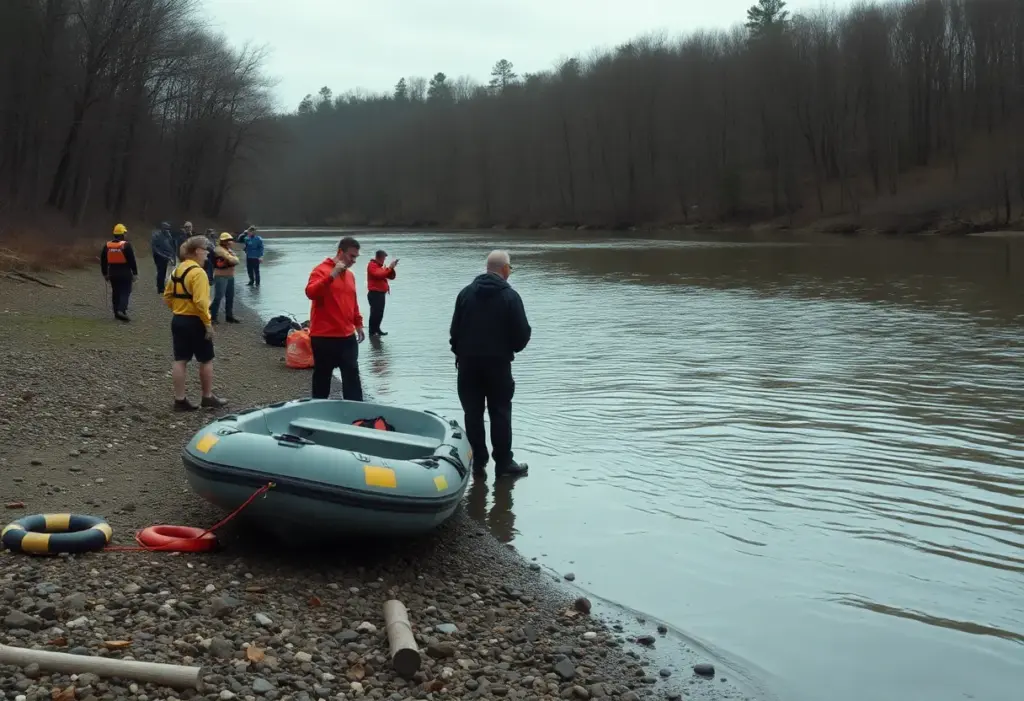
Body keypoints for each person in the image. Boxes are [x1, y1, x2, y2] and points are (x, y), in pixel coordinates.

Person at [449, 250, 531, 477]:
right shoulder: (510, 297)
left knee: (472, 414)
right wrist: (509, 349)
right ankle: (504, 464)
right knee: (500, 413)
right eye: (510, 268)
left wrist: (461, 352)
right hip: (498, 365)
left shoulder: (465, 294)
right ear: (505, 269)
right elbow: (522, 335)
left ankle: (478, 463)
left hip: (467, 365)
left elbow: (454, 332)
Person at [163, 235, 227, 411]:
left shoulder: (177, 271)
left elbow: (167, 296)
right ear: (197, 251)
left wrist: (178, 309)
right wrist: (207, 323)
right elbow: (201, 302)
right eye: (206, 250)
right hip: (196, 321)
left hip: (178, 320)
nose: (207, 254)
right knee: (206, 359)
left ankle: (180, 400)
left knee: (180, 359)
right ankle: (207, 397)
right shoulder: (198, 273)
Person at [304, 236, 366, 400]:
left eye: (356, 257)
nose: (353, 261)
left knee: (352, 378)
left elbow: (352, 301)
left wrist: (358, 323)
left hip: (347, 336)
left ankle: (356, 416)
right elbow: (310, 293)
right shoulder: (321, 270)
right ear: (340, 252)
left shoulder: (351, 275)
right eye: (351, 256)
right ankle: (318, 413)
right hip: (324, 336)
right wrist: (331, 276)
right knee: (322, 380)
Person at [99, 223, 138, 322]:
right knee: (125, 291)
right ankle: (121, 310)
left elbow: (103, 261)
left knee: (116, 292)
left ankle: (116, 312)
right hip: (125, 272)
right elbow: (132, 260)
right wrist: (135, 272)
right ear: (122, 234)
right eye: (125, 233)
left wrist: (105, 273)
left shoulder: (107, 246)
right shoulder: (126, 246)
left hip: (112, 272)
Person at [366, 249, 398, 337]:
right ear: (380, 257)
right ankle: (372, 331)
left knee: (379, 313)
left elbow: (390, 276)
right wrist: (389, 268)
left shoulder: (379, 266)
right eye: (384, 258)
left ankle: (377, 329)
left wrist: (392, 268)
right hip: (375, 293)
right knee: (375, 313)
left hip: (380, 294)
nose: (384, 260)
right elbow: (379, 275)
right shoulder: (372, 265)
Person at [210, 232, 241, 324]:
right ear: (222, 241)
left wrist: (233, 259)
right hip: (221, 276)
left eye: (230, 240)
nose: (229, 242)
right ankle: (213, 317)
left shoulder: (228, 250)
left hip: (230, 276)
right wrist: (233, 259)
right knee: (218, 297)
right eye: (227, 240)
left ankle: (229, 316)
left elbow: (236, 260)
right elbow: (233, 260)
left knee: (230, 296)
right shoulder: (219, 250)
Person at [150, 221, 176, 293]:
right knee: (160, 272)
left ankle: (162, 286)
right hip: (159, 257)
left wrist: (172, 256)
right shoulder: (156, 236)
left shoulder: (168, 235)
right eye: (166, 228)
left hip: (167, 256)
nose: (167, 230)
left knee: (164, 271)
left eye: (168, 229)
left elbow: (171, 246)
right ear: (162, 228)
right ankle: (160, 287)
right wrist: (164, 256)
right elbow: (155, 248)